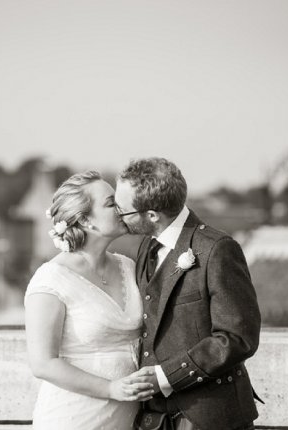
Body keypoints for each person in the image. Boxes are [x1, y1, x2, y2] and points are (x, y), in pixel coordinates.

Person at [114, 158, 262, 430]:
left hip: (210, 417)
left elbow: (238, 337)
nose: (118, 216)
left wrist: (166, 376)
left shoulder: (217, 249)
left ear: (152, 215)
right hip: (153, 418)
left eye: (123, 211)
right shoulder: (147, 245)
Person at [24, 170, 153, 429]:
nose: (122, 208)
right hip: (72, 416)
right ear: (85, 220)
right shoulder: (50, 279)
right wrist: (111, 388)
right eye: (110, 203)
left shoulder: (128, 267)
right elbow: (43, 363)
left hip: (125, 419)